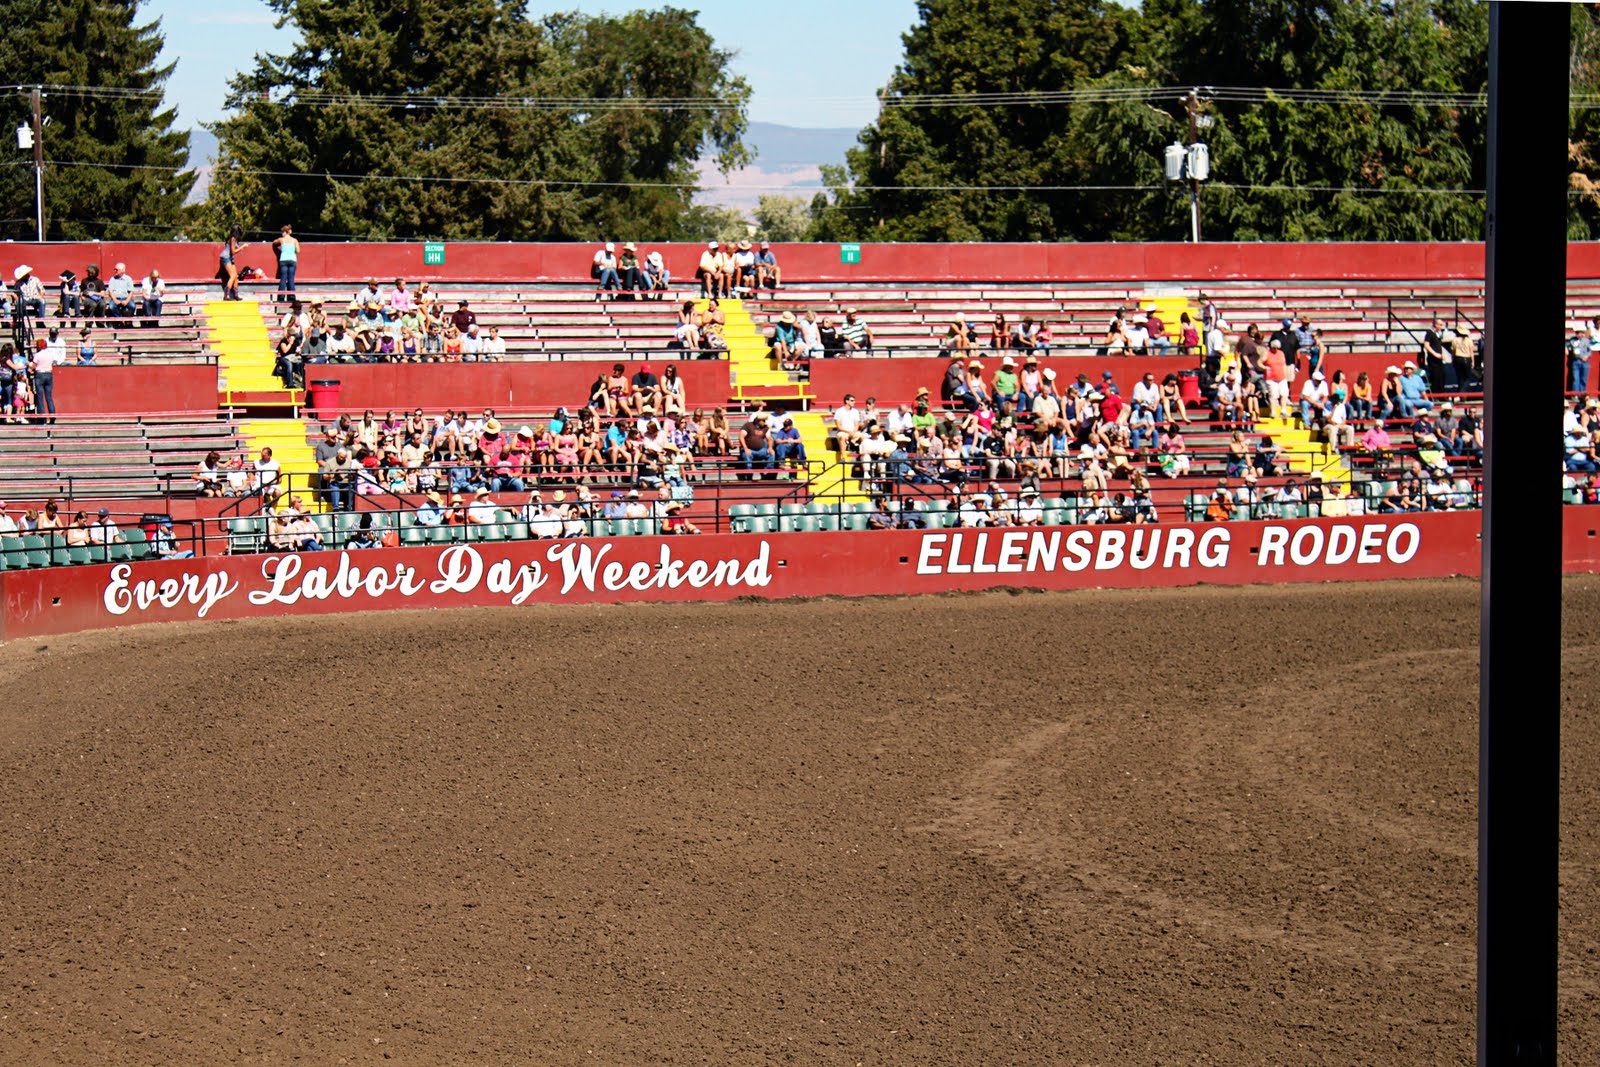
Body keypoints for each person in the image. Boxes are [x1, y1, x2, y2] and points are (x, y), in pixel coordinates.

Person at [32, 327, 61, 423]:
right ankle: (52, 416)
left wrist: (29, 365)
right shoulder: (49, 354)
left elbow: (33, 366)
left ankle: (42, 418)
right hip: (49, 374)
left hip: (40, 374)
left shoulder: (37, 355)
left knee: (40, 397)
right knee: (49, 396)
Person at [219, 224, 248, 301]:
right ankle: (226, 295)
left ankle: (236, 295)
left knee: (236, 276)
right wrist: (243, 247)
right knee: (232, 275)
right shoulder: (233, 238)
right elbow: (233, 251)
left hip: (230, 258)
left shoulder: (235, 239)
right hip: (225, 257)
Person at [272, 224, 299, 298]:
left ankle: (281, 297)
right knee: (291, 279)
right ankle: (291, 296)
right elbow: (298, 250)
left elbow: (274, 242)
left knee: (283, 278)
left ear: (284, 232)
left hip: (283, 260)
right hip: (292, 260)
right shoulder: (295, 240)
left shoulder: (281, 240)